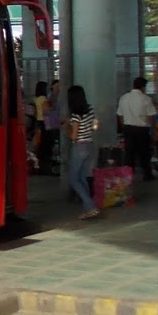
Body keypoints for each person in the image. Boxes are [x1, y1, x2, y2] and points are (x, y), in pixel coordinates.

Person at [64, 84, 101, 220]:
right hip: (90, 145)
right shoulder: (90, 109)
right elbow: (95, 126)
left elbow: (73, 136)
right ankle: (88, 209)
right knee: (83, 177)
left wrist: (67, 127)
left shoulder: (75, 116)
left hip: (79, 147)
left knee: (74, 179)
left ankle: (91, 206)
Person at [117, 76, 158, 181]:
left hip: (128, 129)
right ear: (143, 87)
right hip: (142, 130)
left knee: (129, 154)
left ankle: (128, 177)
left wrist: (124, 128)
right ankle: (147, 175)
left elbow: (120, 115)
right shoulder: (146, 99)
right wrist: (153, 131)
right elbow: (151, 117)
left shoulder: (124, 98)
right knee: (144, 153)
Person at [31, 81, 49, 173]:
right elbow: (46, 111)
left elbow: (34, 113)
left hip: (38, 122)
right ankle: (44, 165)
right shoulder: (44, 99)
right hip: (45, 122)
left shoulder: (36, 99)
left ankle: (37, 164)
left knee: (38, 141)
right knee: (45, 143)